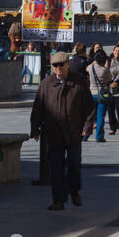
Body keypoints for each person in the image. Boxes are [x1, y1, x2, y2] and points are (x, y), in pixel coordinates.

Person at [30, 51, 95, 210]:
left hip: (74, 132)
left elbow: (89, 107)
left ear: (68, 65)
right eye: (55, 65)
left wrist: (87, 126)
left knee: (74, 165)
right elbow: (37, 108)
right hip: (53, 133)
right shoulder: (46, 84)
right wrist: (35, 129)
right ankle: (58, 199)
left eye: (61, 65)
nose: (58, 68)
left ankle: (74, 190)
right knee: (56, 167)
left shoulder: (79, 82)